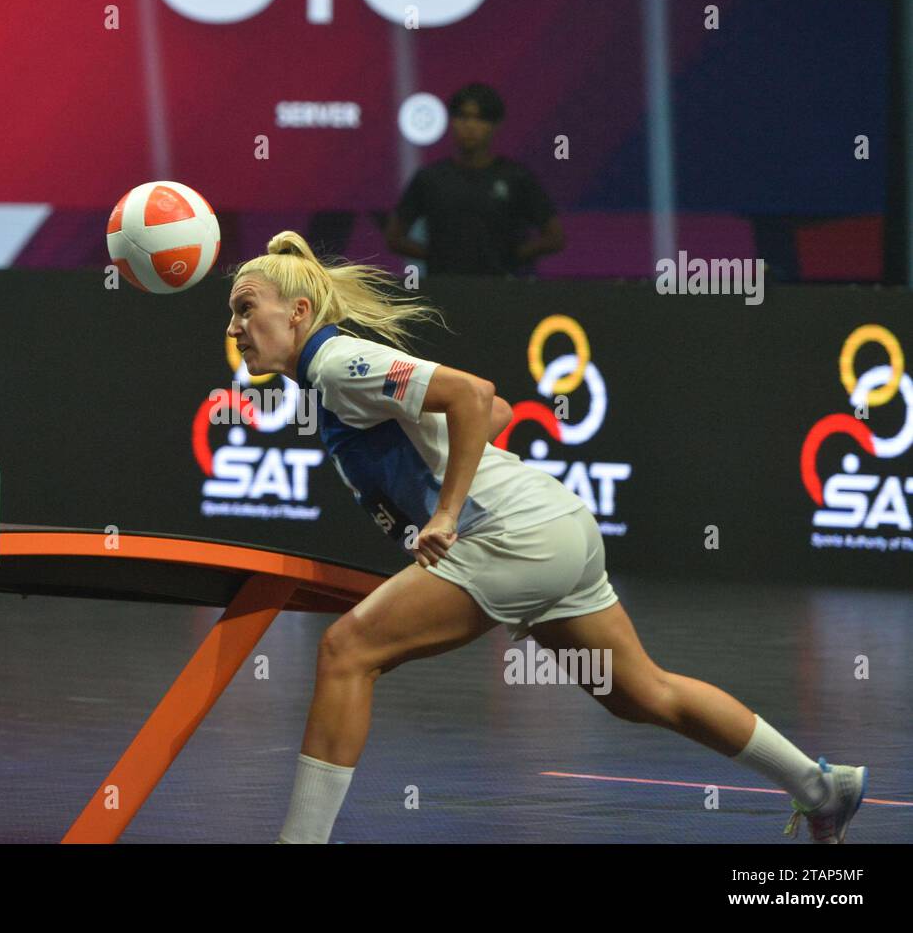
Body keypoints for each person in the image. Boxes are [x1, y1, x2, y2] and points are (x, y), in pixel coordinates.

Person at [225, 230, 867, 844]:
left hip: (513, 535)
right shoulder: (329, 378)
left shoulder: (336, 363)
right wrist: (447, 476)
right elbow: (493, 415)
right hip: (560, 528)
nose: (233, 329)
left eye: (245, 310)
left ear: (299, 312)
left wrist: (446, 514)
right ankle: (821, 788)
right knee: (644, 693)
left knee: (346, 651)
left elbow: (475, 396)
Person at [385, 83, 564, 276]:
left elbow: (555, 237)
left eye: (481, 119)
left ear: (496, 125)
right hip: (444, 290)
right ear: (451, 121)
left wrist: (508, 256)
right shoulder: (430, 178)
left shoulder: (516, 177)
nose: (470, 126)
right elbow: (394, 237)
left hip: (501, 291)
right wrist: (437, 256)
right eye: (463, 116)